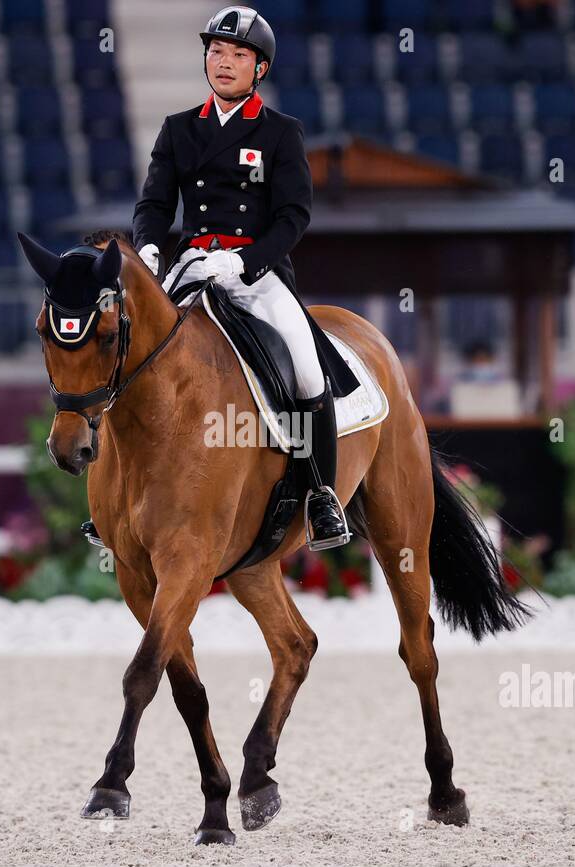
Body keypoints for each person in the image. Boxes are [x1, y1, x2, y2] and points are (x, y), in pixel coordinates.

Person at [128, 5, 352, 550]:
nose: (224, 62)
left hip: (256, 273)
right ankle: (119, 493)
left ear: (260, 69)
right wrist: (151, 251)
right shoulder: (179, 129)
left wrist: (244, 260)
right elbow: (154, 203)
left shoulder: (280, 133)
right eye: (216, 51)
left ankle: (321, 494)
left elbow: (293, 216)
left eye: (238, 55)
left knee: (304, 365)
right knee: (130, 353)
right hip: (191, 265)